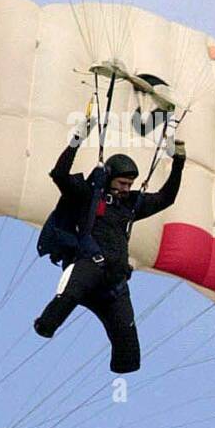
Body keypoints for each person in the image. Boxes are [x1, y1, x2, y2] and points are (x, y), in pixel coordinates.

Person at [33, 121, 186, 373]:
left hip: (114, 282)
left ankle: (123, 370)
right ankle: (45, 326)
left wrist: (178, 161)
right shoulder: (87, 195)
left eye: (130, 184)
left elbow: (166, 198)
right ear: (111, 178)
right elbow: (59, 175)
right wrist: (77, 140)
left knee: (127, 344)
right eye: (123, 183)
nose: (127, 189)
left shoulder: (131, 204)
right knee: (67, 298)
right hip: (89, 265)